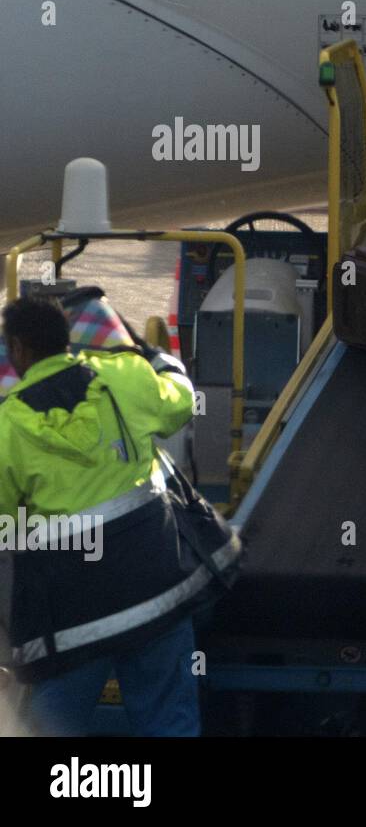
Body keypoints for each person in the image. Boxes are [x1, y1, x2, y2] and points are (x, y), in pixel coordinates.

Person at [0, 296, 239, 736]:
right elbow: (181, 401)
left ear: (17, 348)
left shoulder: (9, 423)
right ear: (64, 338)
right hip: (156, 587)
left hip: (74, 614)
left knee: (51, 724)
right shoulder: (119, 376)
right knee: (169, 718)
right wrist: (156, 357)